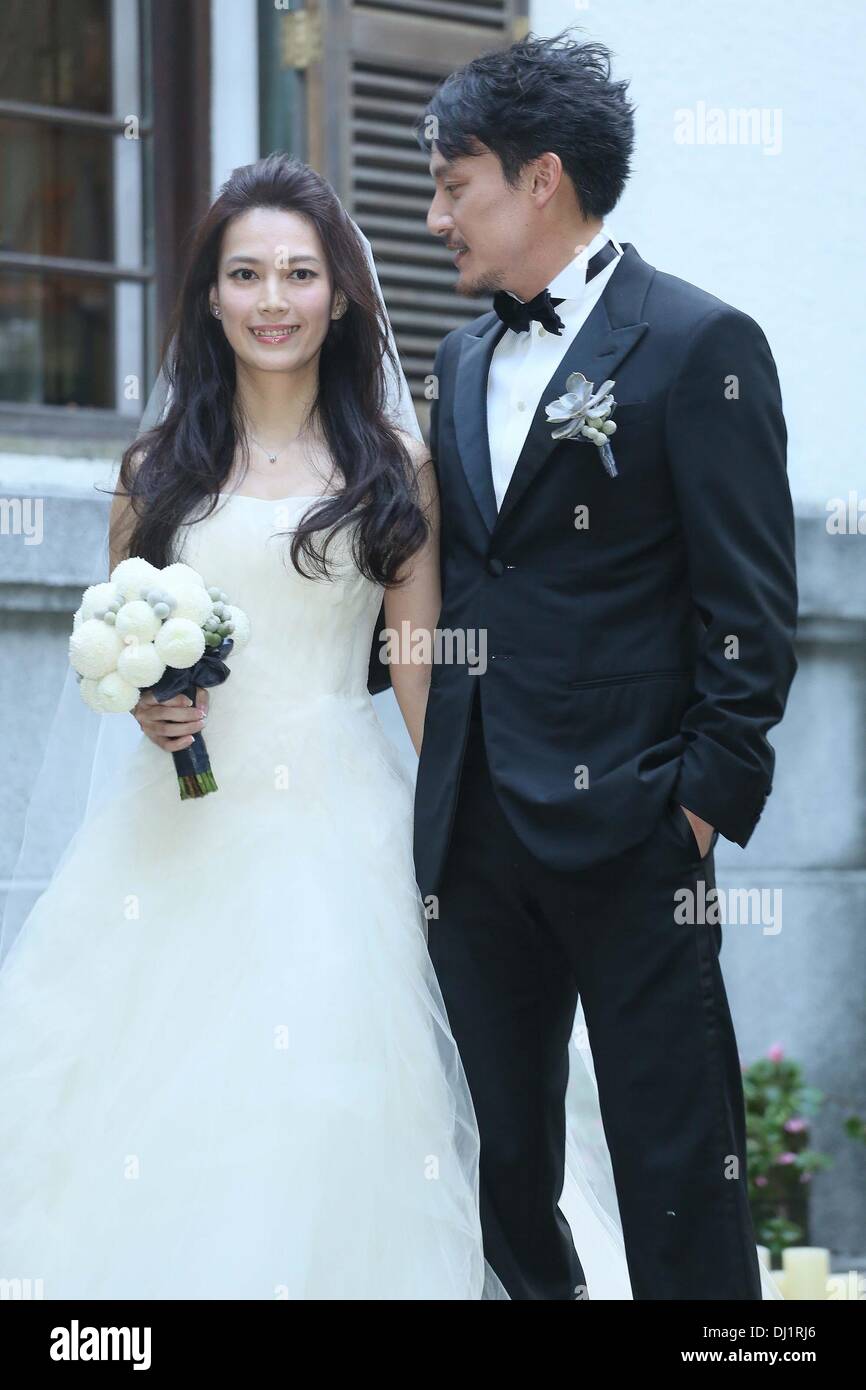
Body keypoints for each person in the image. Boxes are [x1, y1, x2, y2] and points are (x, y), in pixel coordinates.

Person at [0, 152, 508, 1299]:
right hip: (174, 825)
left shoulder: (396, 471)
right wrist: (151, 708)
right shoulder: (155, 470)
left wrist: (476, 836)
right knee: (141, 1096)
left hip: (341, 823)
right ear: (211, 298)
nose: (271, 300)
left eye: (297, 274)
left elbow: (420, 673)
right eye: (245, 275)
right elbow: (129, 651)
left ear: (337, 299)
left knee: (326, 1096)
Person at [412, 32, 797, 1299]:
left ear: (539, 179)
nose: (433, 216)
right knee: (502, 1173)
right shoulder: (460, 357)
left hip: (634, 829)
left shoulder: (698, 343)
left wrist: (693, 808)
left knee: (677, 1171)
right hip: (474, 835)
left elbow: (747, 607)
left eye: (452, 183)